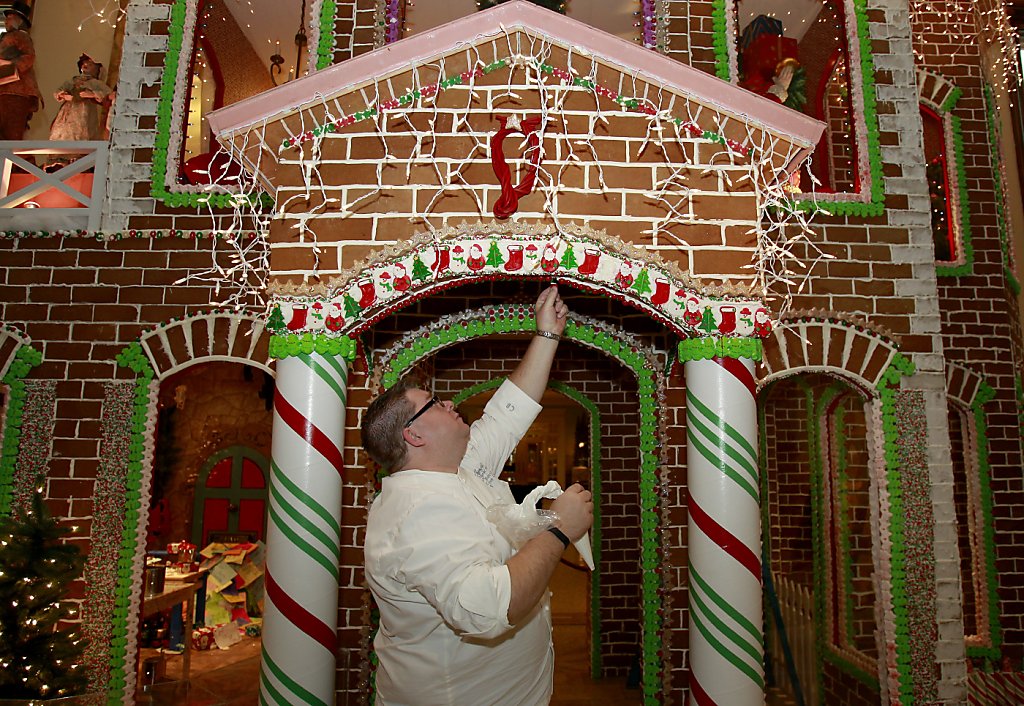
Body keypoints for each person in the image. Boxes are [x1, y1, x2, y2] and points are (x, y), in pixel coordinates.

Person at [362, 284, 593, 706]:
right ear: (413, 434)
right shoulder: (418, 513)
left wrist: (547, 336)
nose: (449, 403)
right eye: (433, 404)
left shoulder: (461, 467)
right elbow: (485, 610)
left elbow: (509, 412)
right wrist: (559, 529)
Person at [46, 54, 113, 169]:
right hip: (67, 112)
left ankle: (80, 158)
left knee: (81, 133)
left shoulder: (95, 83)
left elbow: (108, 94)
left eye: (90, 64)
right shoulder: (73, 81)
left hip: (84, 112)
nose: (86, 65)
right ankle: (59, 158)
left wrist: (91, 94)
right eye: (84, 63)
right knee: (62, 133)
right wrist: (62, 94)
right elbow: (60, 89)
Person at [0, 2, 42, 140]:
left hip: (17, 91)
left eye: (10, 18)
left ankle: (15, 160)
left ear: (20, 20)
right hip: (4, 90)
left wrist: (9, 69)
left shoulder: (21, 36)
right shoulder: (7, 37)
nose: (6, 21)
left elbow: (29, 57)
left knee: (12, 132)